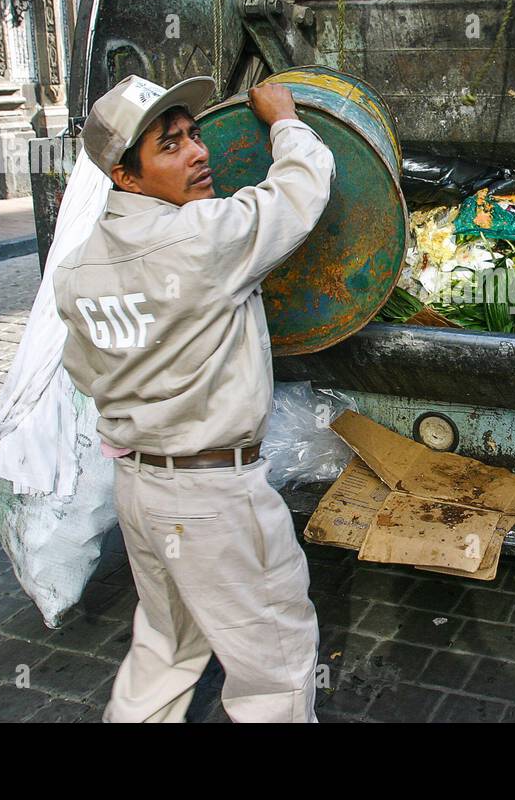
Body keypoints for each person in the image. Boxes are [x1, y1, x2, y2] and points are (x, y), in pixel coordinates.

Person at [53, 74, 336, 722]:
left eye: (193, 134)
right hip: (214, 500)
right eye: (169, 145)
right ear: (126, 176)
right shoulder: (204, 237)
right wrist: (284, 118)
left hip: (141, 490)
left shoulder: (78, 270)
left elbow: (85, 372)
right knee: (275, 667)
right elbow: (300, 190)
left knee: (165, 648)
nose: (198, 152)